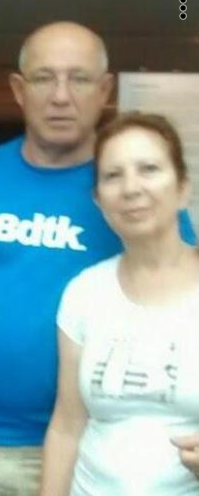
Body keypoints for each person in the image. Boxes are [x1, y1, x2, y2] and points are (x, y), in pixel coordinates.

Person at [0, 21, 198, 495]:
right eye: (44, 78)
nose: (60, 96)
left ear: (105, 90)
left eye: (79, 78)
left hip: (75, 448)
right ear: (19, 89)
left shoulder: (131, 193)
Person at [41, 112, 199, 495]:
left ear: (183, 188)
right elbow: (66, 426)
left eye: (149, 169)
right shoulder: (84, 292)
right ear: (98, 199)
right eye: (113, 175)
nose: (131, 188)